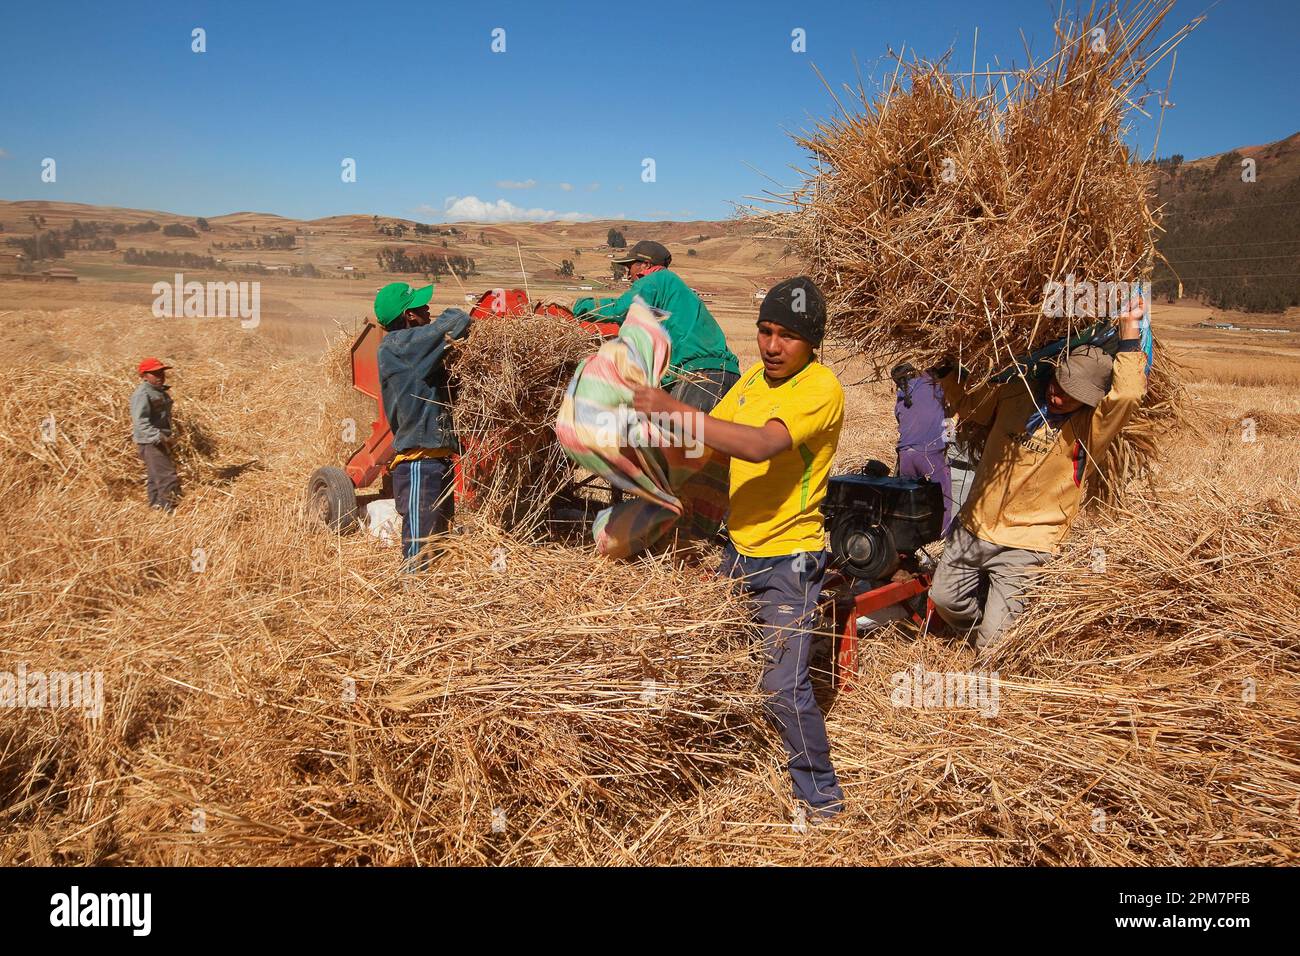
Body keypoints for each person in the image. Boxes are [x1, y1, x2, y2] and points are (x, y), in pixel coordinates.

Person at [633, 276, 844, 819]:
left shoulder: (820, 388)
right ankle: (730, 757)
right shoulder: (751, 378)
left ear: (812, 341)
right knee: (713, 657)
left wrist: (668, 406)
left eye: (788, 336)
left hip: (790, 557)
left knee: (780, 683)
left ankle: (821, 798)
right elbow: (715, 439)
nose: (772, 347)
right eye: (765, 331)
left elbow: (756, 445)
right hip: (737, 548)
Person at [928, 299, 1149, 651]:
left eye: (1071, 396)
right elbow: (971, 406)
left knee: (993, 643)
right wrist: (945, 370)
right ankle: (975, 626)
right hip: (976, 524)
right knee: (944, 599)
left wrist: (1129, 336)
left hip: (1031, 541)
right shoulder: (1018, 393)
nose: (1058, 397)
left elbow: (1128, 395)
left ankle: (990, 635)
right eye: (1058, 385)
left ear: (1090, 401)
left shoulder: (1090, 429)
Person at [574, 240, 739, 411]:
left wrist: (579, 306)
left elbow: (620, 310)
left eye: (629, 266)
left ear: (645, 265)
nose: (628, 274)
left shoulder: (655, 279)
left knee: (684, 436)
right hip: (725, 374)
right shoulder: (672, 289)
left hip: (701, 377)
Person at [374, 282, 471, 572]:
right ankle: (412, 599)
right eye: (420, 306)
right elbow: (457, 319)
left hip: (434, 461)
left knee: (440, 546)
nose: (428, 310)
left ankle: (430, 597)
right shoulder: (401, 346)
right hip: (419, 465)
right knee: (419, 549)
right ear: (408, 317)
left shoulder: (408, 347)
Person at [890, 362, 954, 534]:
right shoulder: (931, 386)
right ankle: (941, 536)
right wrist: (950, 439)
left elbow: (902, 419)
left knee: (909, 500)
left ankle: (909, 535)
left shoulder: (901, 397)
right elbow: (949, 408)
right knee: (944, 497)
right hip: (929, 453)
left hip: (905, 455)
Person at [131, 357, 180, 512]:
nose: (160, 376)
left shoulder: (159, 392)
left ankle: (157, 507)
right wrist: (159, 437)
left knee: (155, 476)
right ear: (144, 375)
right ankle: (171, 509)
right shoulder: (142, 394)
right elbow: (140, 422)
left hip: (158, 439)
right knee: (167, 476)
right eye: (154, 373)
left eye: (161, 372)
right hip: (150, 442)